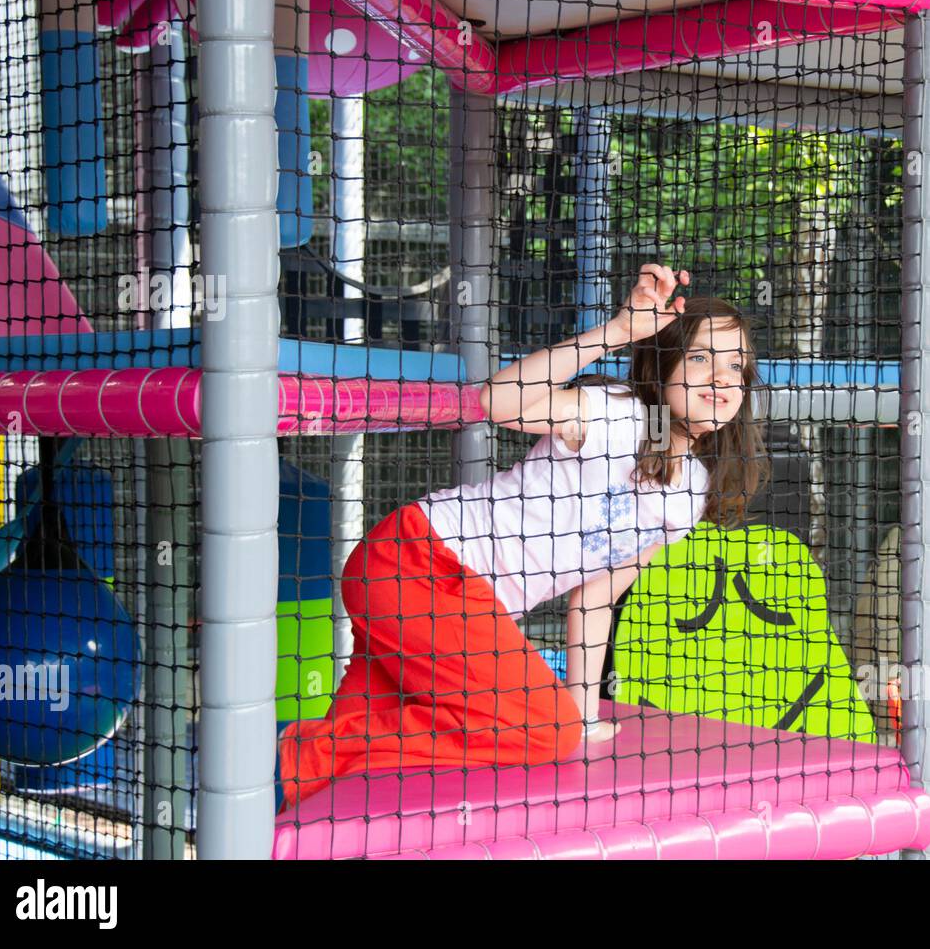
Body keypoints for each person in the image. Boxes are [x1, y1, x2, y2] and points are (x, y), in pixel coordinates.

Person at [277, 264, 769, 810]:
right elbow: (498, 402)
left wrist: (585, 713)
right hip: (417, 561)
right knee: (543, 731)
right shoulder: (616, 416)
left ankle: (279, 795)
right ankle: (301, 756)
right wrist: (616, 332)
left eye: (736, 366)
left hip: (460, 604)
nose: (721, 379)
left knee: (353, 761)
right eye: (701, 358)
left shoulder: (688, 495)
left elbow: (598, 594)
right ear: (666, 364)